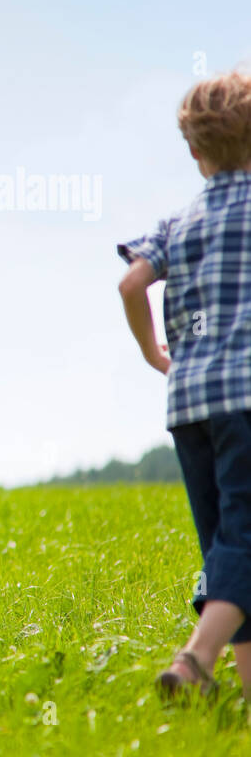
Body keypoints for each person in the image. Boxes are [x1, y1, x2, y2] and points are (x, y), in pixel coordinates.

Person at [117, 68, 251, 699]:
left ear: (194, 151)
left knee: (228, 547)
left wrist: (154, 353)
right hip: (247, 397)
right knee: (246, 544)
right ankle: (197, 657)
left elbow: (130, 284)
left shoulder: (178, 222)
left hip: (189, 401)